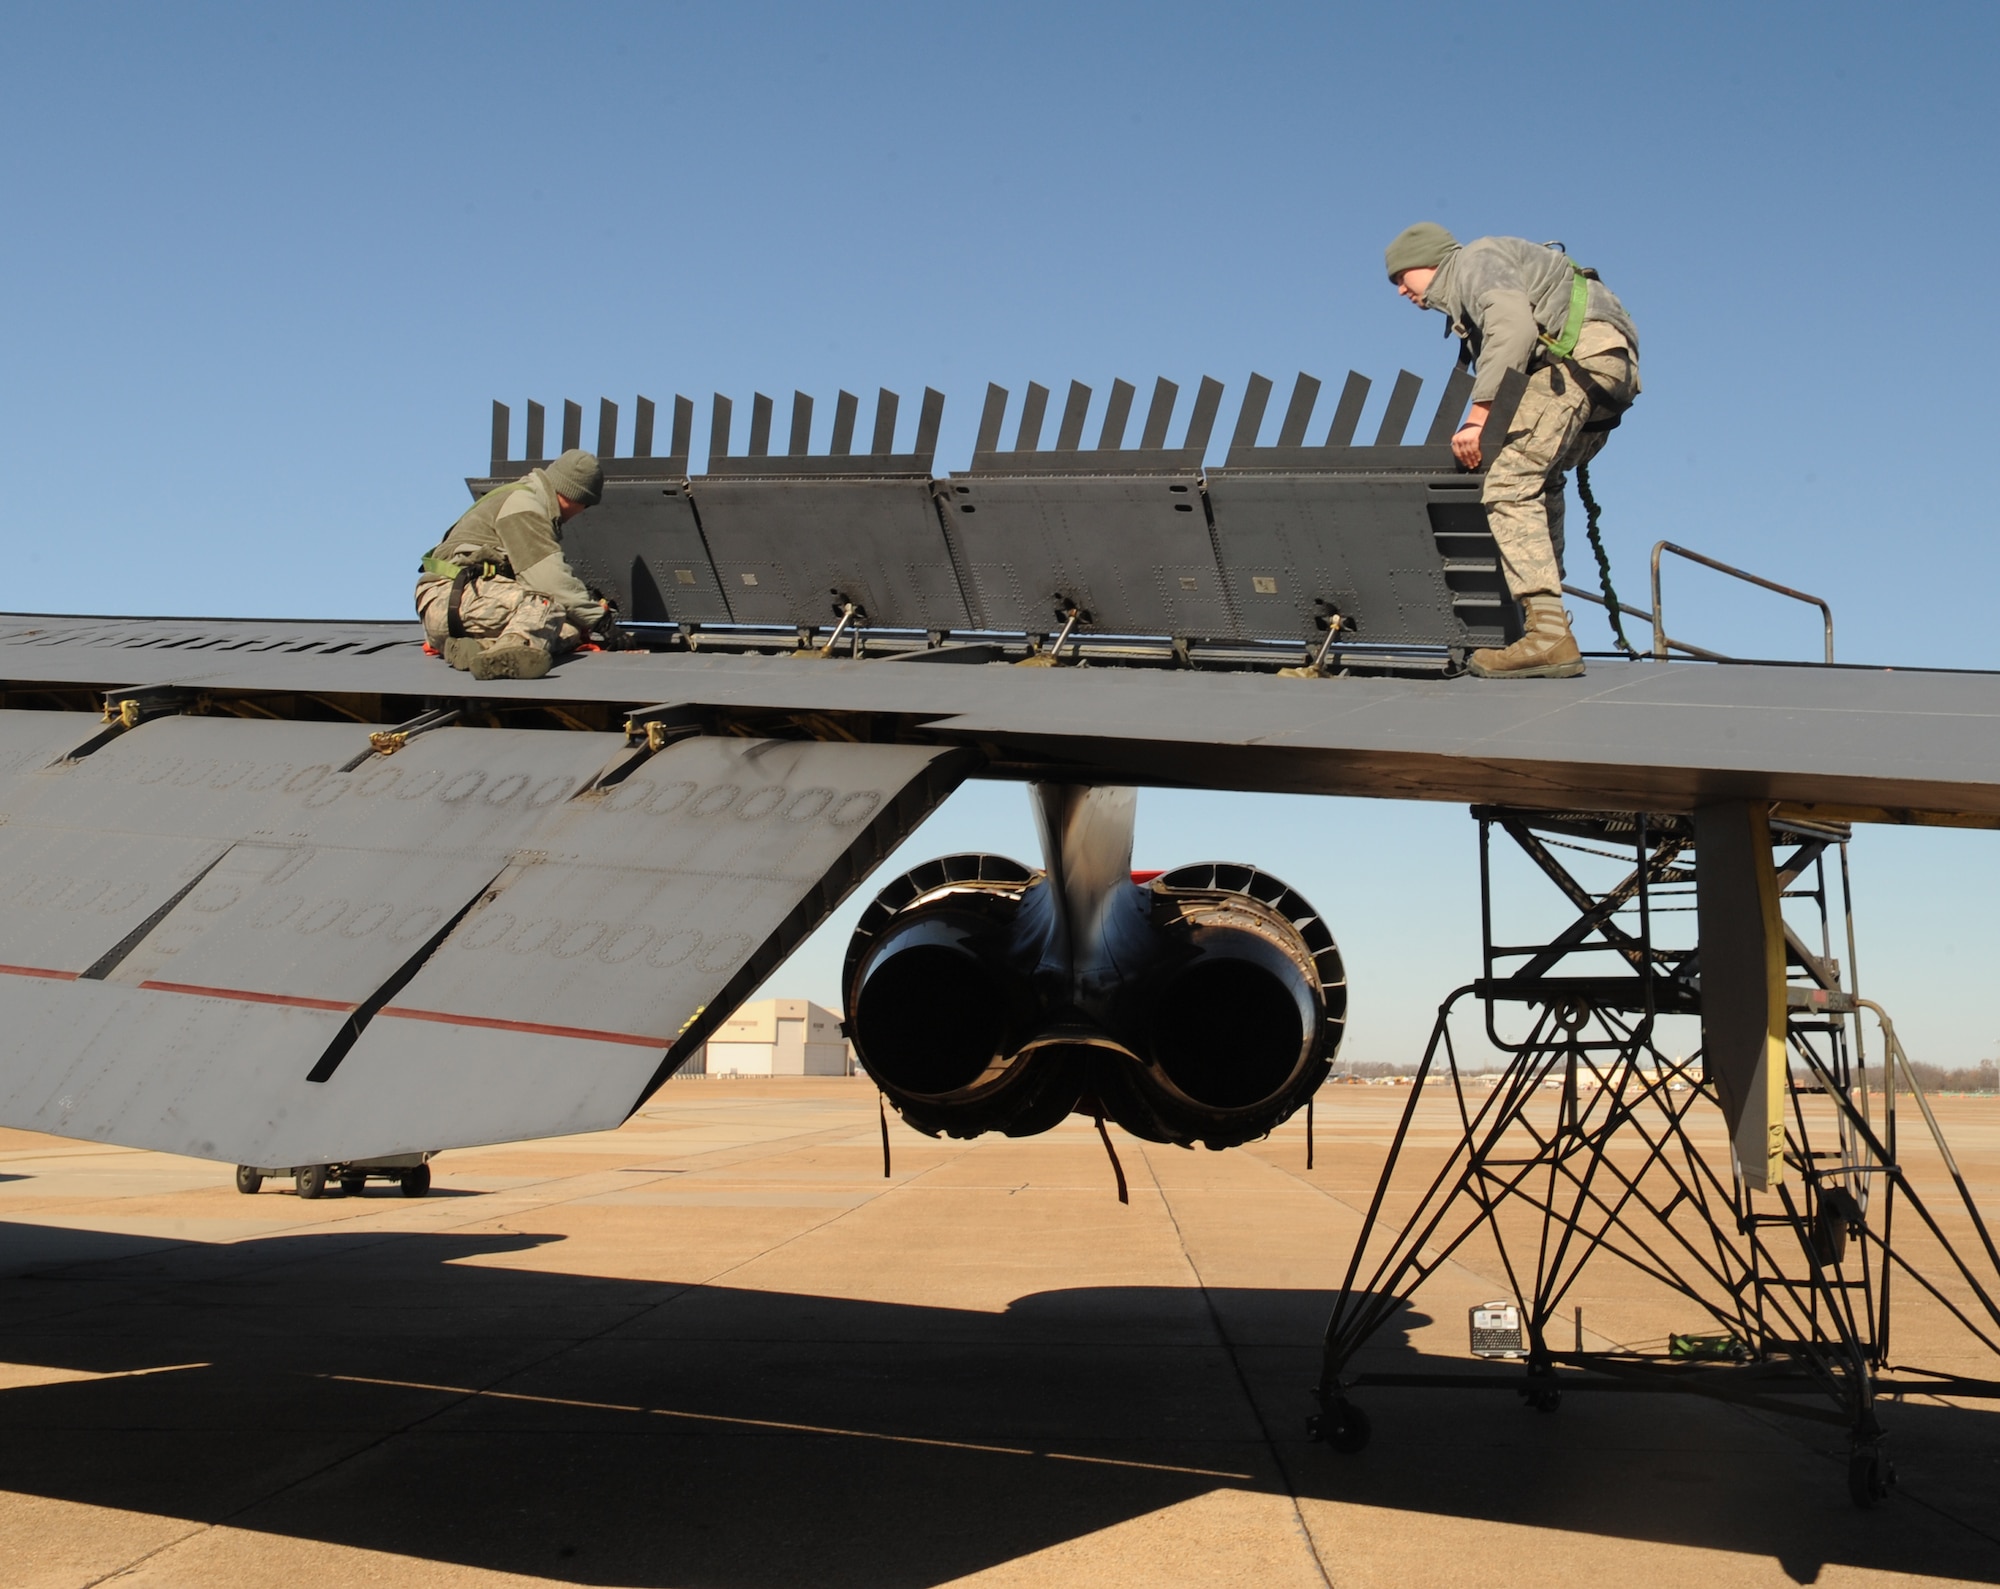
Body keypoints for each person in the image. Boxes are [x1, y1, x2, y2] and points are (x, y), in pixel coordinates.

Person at [1385, 223, 1640, 679]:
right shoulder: (1475, 281)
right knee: (1542, 483)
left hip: (1575, 361)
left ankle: (1547, 633)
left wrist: (1479, 417)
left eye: (1401, 276)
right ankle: (1547, 621)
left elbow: (1514, 330)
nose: (1401, 290)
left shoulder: (1474, 262)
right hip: (1608, 369)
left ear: (1428, 260)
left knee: (1508, 482)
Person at [415, 447, 616, 680]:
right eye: (586, 505)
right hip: (451, 597)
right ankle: (506, 652)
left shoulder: (524, 497)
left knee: (568, 629)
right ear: (575, 495)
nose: (582, 512)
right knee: (547, 606)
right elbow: (549, 582)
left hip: (456, 612)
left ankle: (480, 650)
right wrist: (600, 620)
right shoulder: (526, 506)